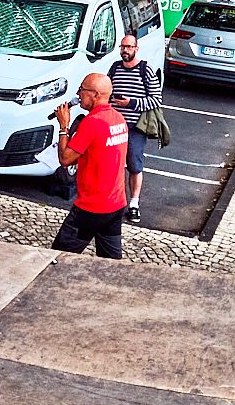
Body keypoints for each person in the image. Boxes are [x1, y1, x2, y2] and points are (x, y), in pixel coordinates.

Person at [50, 74, 129, 259]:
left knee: (58, 257)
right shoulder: (118, 119)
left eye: (82, 90)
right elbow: (97, 152)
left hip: (92, 207)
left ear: (95, 94)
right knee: (111, 261)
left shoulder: (92, 123)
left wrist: (64, 126)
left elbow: (65, 159)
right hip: (116, 203)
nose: (78, 94)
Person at [107, 31, 162, 224]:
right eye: (123, 47)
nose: (125, 50)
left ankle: (134, 204)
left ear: (136, 49)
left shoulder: (145, 70)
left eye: (129, 47)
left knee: (134, 166)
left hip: (135, 128)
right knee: (113, 165)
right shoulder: (114, 68)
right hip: (114, 126)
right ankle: (114, 201)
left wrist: (130, 103)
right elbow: (106, 93)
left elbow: (156, 100)